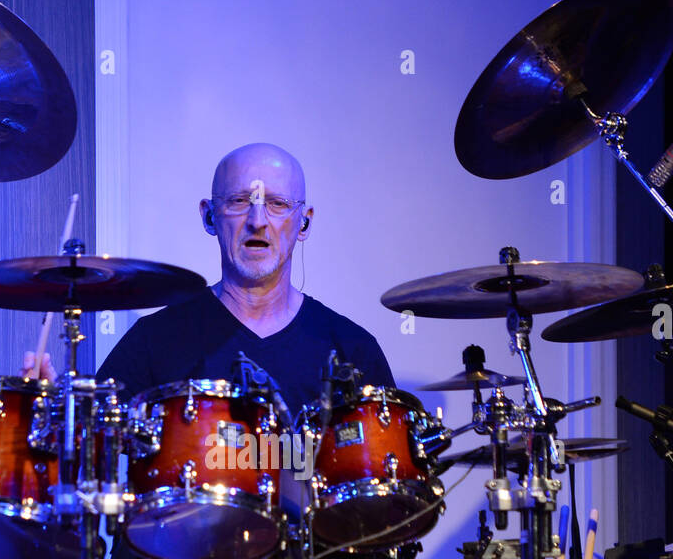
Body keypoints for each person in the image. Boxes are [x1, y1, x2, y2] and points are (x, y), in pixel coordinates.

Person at [22, 142, 394, 404]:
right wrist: (56, 412)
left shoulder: (352, 351)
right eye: (238, 202)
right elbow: (95, 448)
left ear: (304, 223)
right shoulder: (154, 342)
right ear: (209, 216)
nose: (258, 221)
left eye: (278, 204)